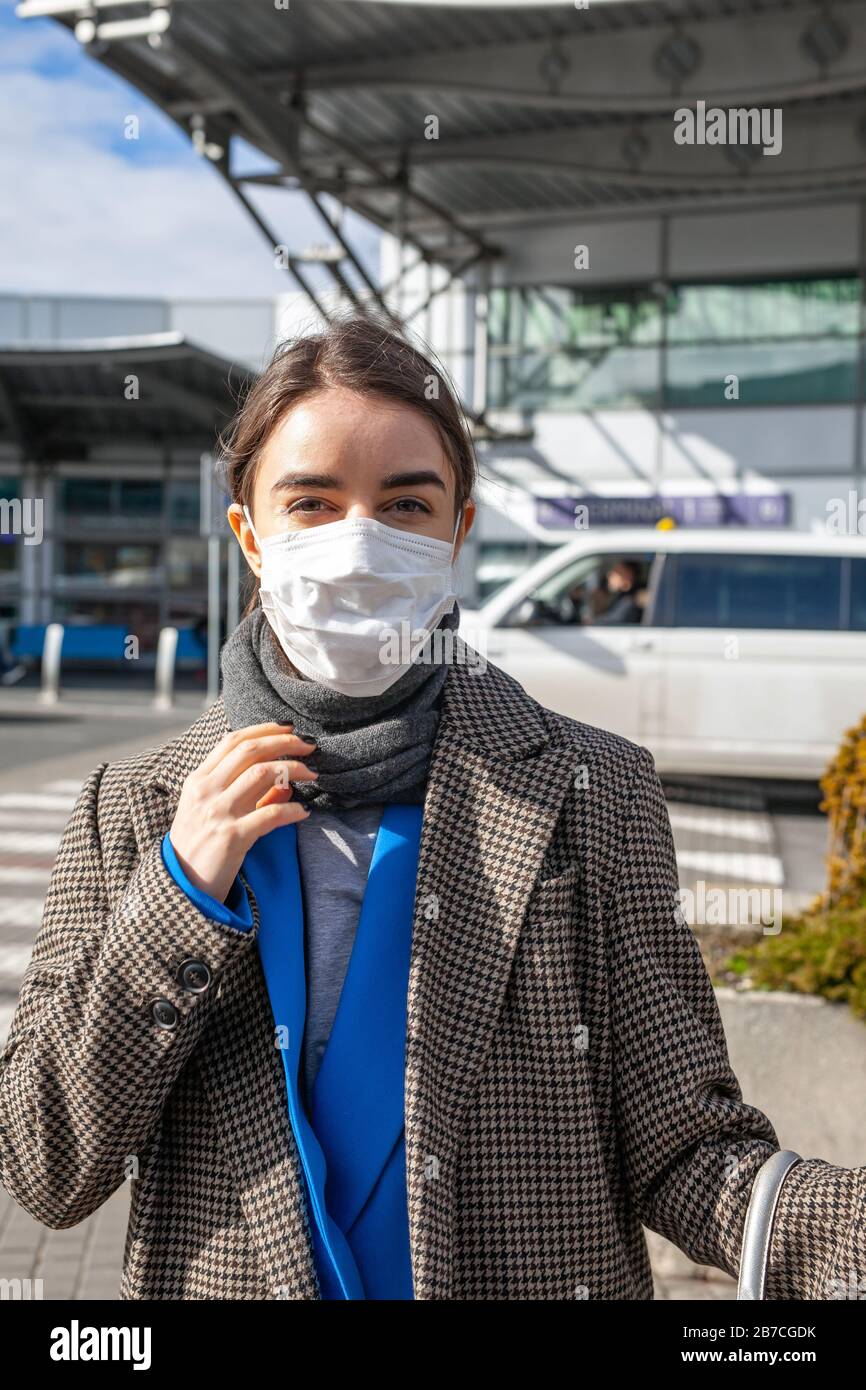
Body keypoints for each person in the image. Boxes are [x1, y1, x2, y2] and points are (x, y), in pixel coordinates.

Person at [0, 317, 861, 1300]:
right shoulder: (135, 807)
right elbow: (46, 1165)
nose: (357, 543)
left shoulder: (594, 792)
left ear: (457, 528)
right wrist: (178, 895)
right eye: (312, 504)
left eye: (403, 504)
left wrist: (838, 1237)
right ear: (248, 534)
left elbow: (682, 1149)